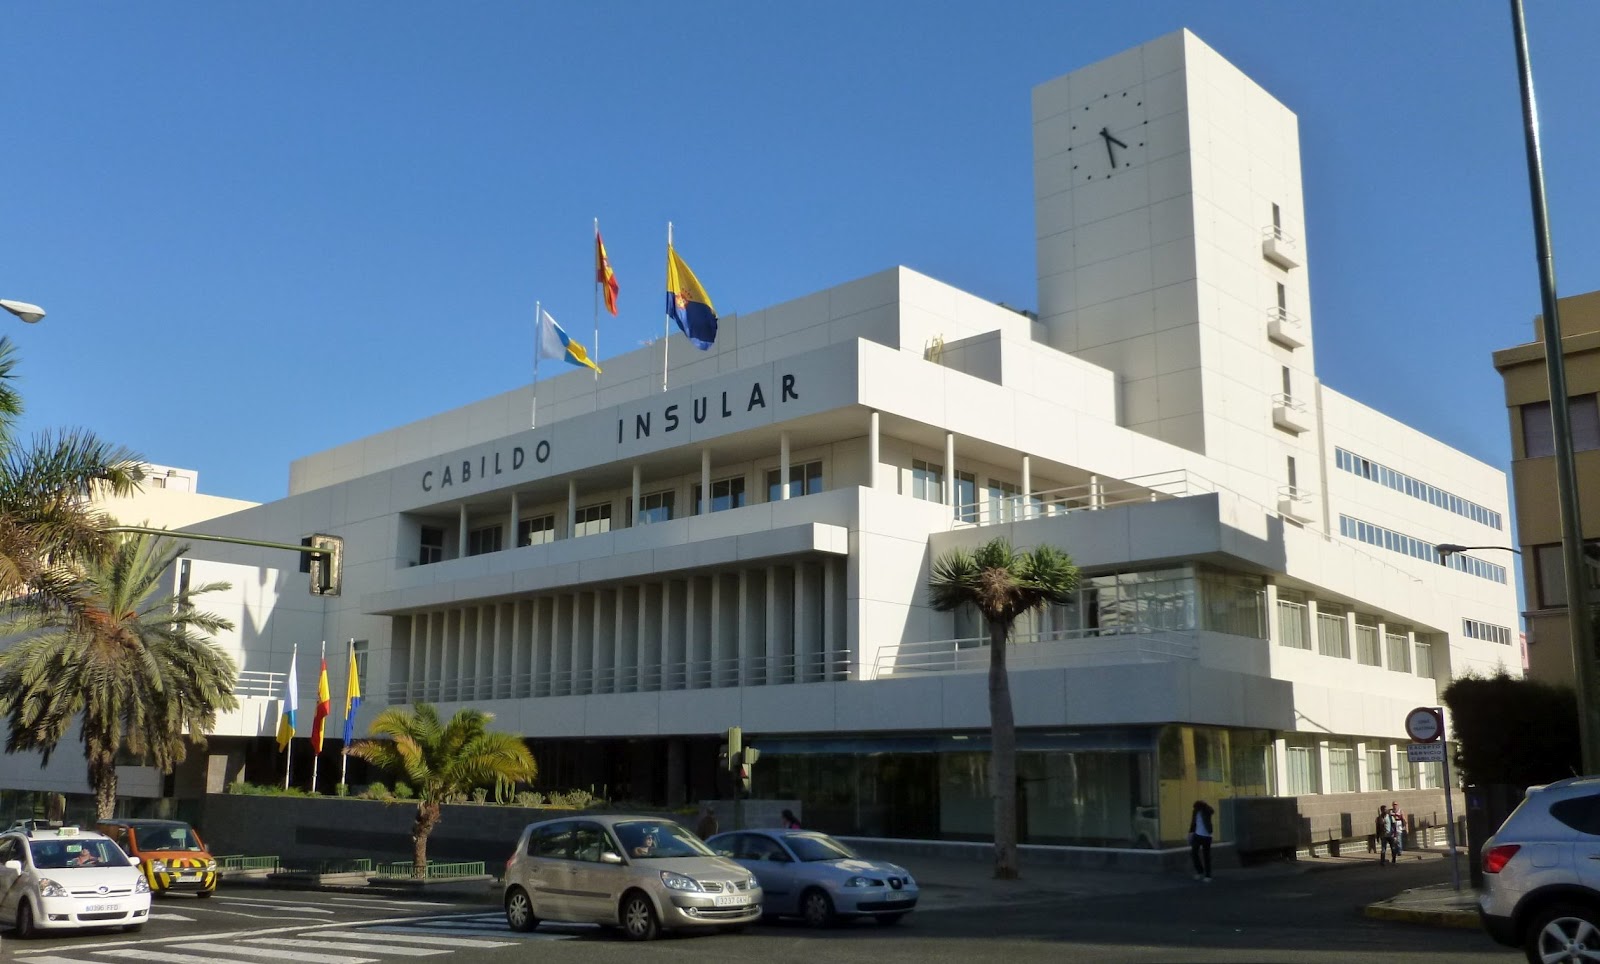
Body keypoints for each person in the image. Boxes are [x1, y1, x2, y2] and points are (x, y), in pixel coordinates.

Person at [1188, 800, 1214, 882]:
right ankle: (1200, 871)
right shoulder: (1195, 812)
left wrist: (1205, 805)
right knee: (1193, 853)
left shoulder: (1206, 811)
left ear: (1200, 807)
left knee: (1206, 855)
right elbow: (1193, 823)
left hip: (1206, 836)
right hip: (1197, 835)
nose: (1195, 809)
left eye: (1197, 807)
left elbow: (1212, 811)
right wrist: (1190, 832)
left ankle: (1208, 875)